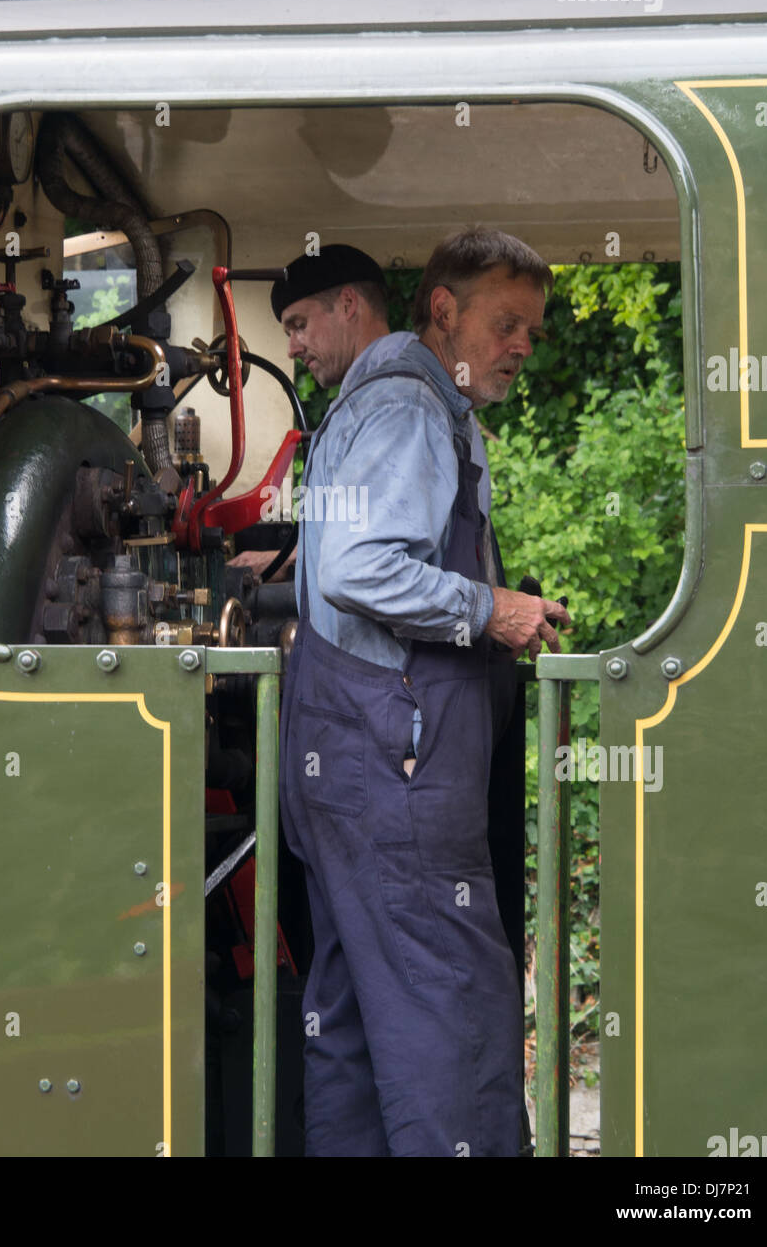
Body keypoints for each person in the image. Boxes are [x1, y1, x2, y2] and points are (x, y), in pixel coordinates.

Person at [275, 228, 570, 1157]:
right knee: (450, 1012)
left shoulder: (380, 399)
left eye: (534, 328)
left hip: (350, 761)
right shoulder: (410, 404)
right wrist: (493, 610)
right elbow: (362, 569)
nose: (524, 344)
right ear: (444, 312)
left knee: (353, 1023)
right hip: (393, 768)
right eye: (506, 321)